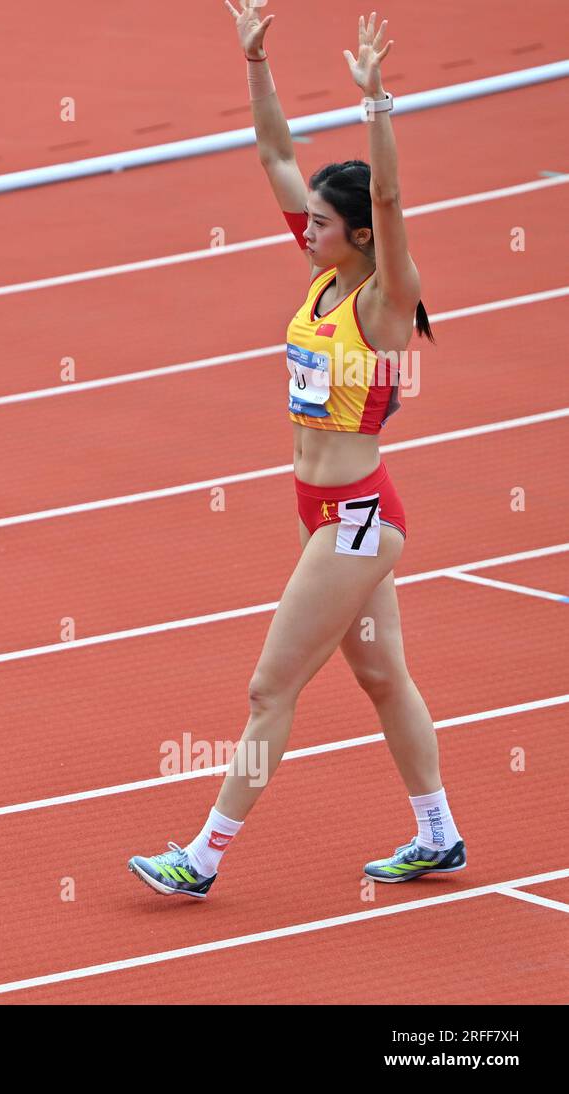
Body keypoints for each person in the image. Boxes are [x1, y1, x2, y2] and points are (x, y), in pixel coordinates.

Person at [127, 5, 462, 899]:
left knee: (269, 688)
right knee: (385, 679)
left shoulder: (386, 301)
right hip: (327, 513)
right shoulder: (322, 280)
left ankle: (201, 857)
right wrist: (257, 62)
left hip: (355, 521)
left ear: (356, 236)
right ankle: (440, 835)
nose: (302, 229)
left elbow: (388, 200)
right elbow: (276, 154)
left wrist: (378, 103)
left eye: (319, 222)